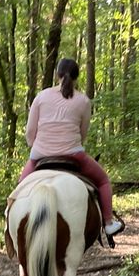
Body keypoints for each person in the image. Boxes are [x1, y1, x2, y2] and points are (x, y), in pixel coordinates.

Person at [19, 58, 123, 237]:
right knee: (104, 181)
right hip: (73, 155)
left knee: (19, 190)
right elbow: (82, 135)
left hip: (39, 156)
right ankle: (108, 223)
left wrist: (36, 147)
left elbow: (30, 132)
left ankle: (11, 226)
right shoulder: (83, 101)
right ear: (76, 77)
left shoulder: (41, 97)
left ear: (57, 74)